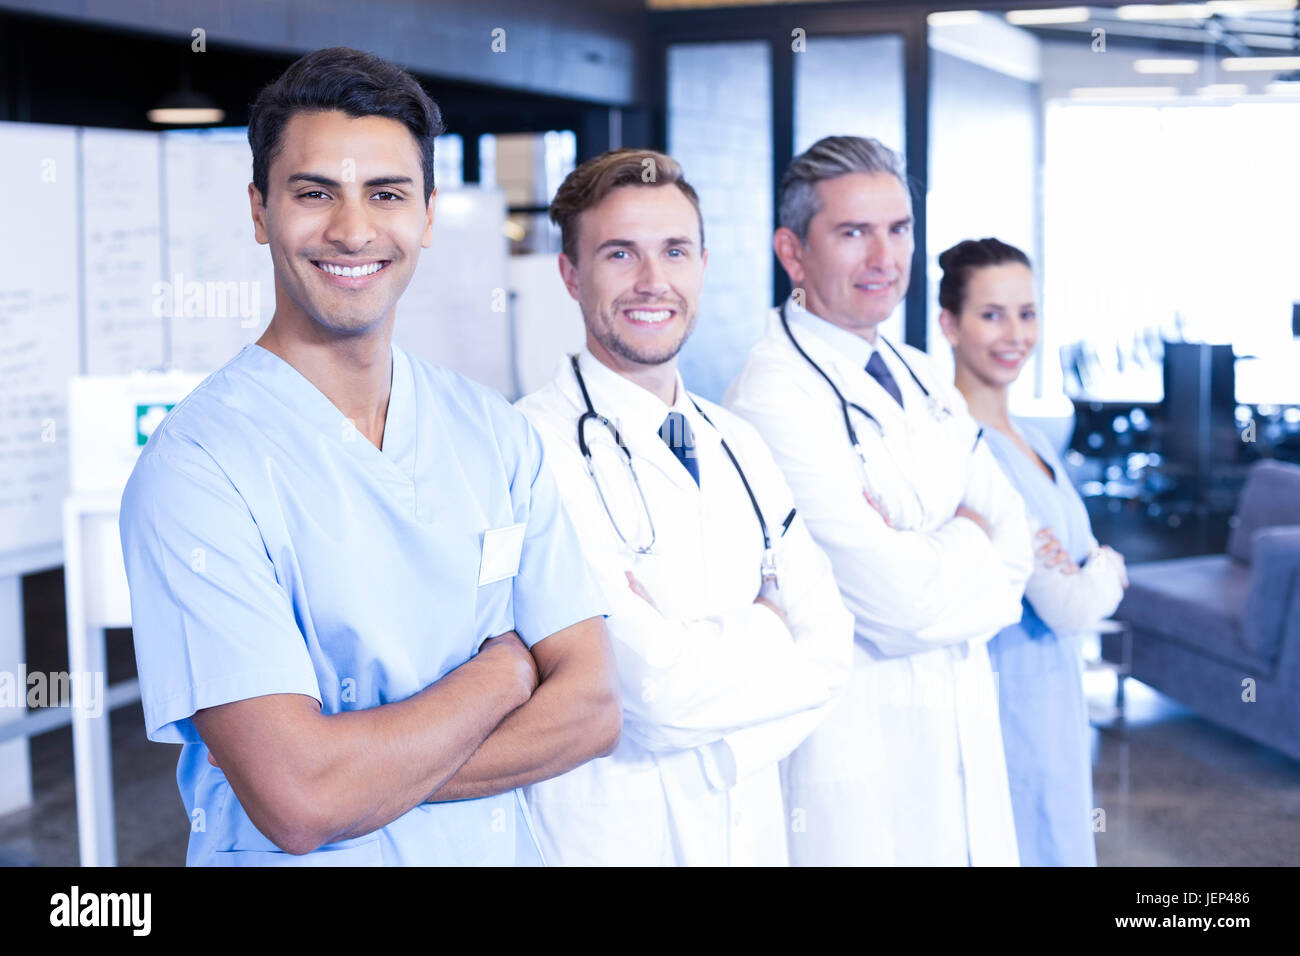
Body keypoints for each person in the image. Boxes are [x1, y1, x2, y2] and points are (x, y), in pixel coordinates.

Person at [118, 47, 621, 867]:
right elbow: (301, 801)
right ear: (259, 211)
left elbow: (594, 708)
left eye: (385, 194)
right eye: (315, 193)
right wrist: (502, 675)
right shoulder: (198, 469)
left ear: (426, 214)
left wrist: (366, 769)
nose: (353, 230)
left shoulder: (492, 434)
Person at [516, 148, 854, 866]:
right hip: (611, 841)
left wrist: (701, 658)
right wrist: (770, 626)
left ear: (703, 262)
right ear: (571, 274)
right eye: (619, 254)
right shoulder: (530, 449)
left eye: (674, 251)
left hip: (753, 836)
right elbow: (647, 693)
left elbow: (830, 651)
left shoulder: (739, 443)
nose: (653, 281)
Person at [724, 136, 1033, 866]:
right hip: (861, 777)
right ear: (792, 252)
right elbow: (901, 608)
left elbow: (1015, 550)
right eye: (853, 232)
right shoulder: (772, 398)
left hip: (963, 754)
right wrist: (964, 538)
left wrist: (930, 548)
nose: (884, 259)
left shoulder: (923, 374)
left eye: (898, 230)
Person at [937, 237, 1128, 866]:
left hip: (1058, 699)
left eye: (1027, 312)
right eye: (991, 314)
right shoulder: (964, 449)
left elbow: (1074, 580)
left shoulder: (1035, 441)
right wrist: (1103, 566)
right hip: (1005, 698)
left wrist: (1089, 572)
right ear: (950, 325)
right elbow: (1074, 604)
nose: (1014, 332)